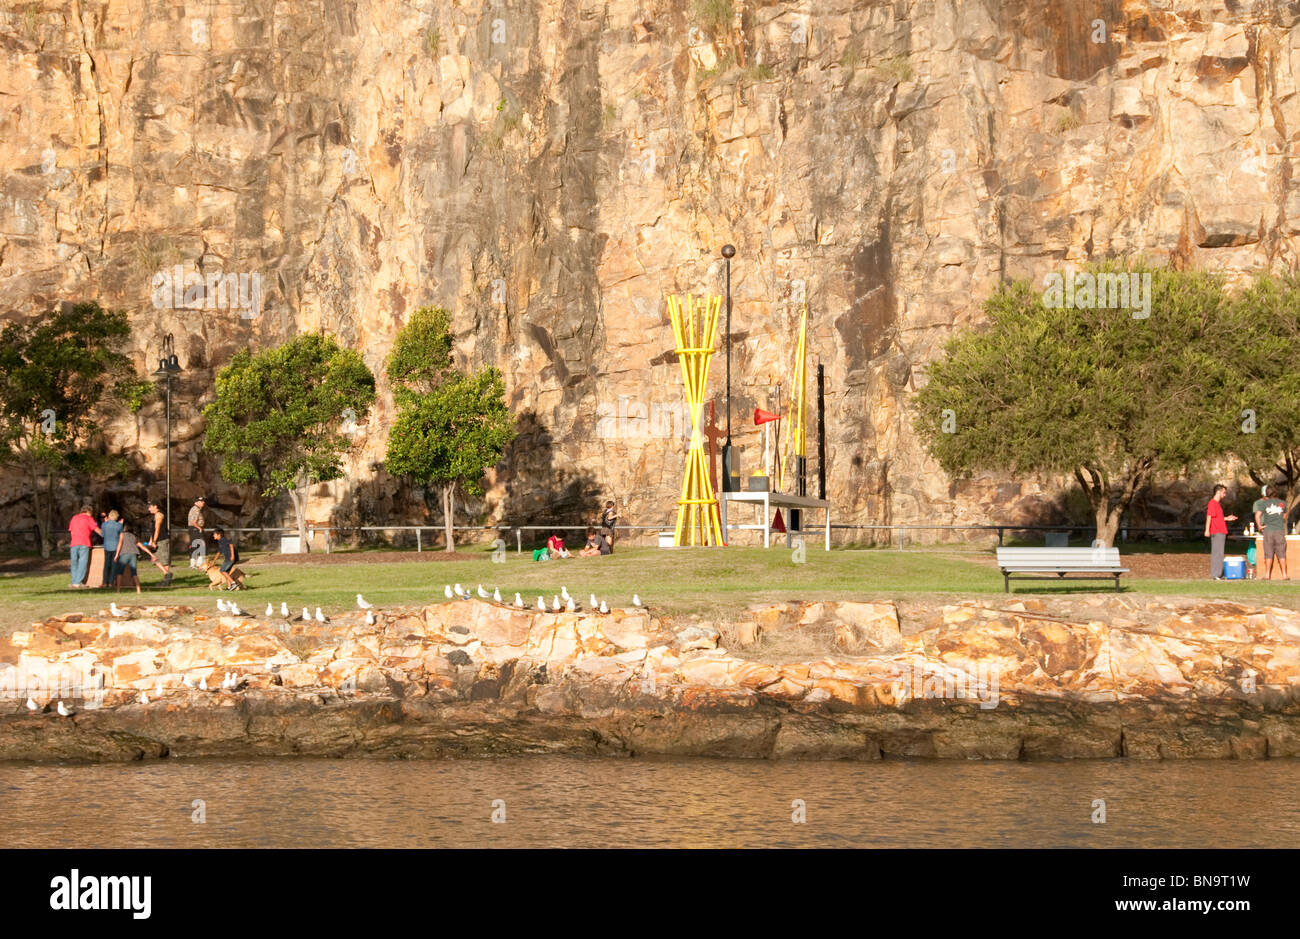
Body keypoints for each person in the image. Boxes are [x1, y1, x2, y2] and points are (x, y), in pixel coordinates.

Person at [1253, 485, 1289, 580]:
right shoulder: (1283, 503)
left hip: (1268, 531)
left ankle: (1267, 574)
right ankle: (1285, 575)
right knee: (1281, 553)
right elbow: (1285, 515)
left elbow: (1257, 515)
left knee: (1268, 553)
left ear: (1267, 493)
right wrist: (1280, 519)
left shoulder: (1264, 503)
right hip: (1279, 531)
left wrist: (1259, 526)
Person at [1205, 484, 1238, 580]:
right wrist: (1207, 530)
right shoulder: (1212, 503)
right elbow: (1209, 517)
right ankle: (1216, 574)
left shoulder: (1217, 504)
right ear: (1218, 492)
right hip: (1217, 531)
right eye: (1224, 492)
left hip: (1221, 530)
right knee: (1217, 553)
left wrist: (1227, 518)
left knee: (1219, 552)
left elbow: (1217, 518)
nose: (1225, 495)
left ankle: (1218, 573)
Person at [67, 506, 101, 589]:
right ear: (89, 512)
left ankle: (74, 581)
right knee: (82, 563)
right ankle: (77, 582)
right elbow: (97, 530)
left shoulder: (74, 518)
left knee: (74, 562)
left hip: (74, 543)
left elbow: (71, 531)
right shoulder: (89, 518)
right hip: (84, 542)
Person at [145, 500, 172, 586]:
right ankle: (167, 577)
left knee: (164, 560)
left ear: (155, 506)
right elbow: (153, 531)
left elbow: (157, 529)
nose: (149, 509)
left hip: (162, 540)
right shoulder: (154, 516)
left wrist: (154, 541)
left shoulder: (159, 515)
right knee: (155, 558)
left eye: (150, 507)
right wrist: (150, 541)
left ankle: (166, 580)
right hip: (157, 540)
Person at [112, 525, 142, 594]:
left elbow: (120, 544)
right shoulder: (134, 536)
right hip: (133, 554)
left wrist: (116, 555)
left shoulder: (122, 534)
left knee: (119, 572)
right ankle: (138, 590)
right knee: (134, 573)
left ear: (125, 528)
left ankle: (118, 590)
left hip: (124, 554)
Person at [100, 509, 124, 588]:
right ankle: (111, 582)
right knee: (114, 565)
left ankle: (104, 582)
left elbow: (102, 535)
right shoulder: (119, 525)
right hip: (115, 546)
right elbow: (121, 537)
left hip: (107, 546)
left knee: (106, 564)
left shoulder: (104, 525)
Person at [187, 496, 207, 568]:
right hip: (195, 529)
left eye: (203, 501)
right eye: (201, 501)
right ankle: (198, 563)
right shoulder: (196, 509)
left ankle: (194, 563)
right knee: (201, 545)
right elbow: (193, 522)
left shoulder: (196, 509)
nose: (203, 502)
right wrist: (199, 528)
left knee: (195, 545)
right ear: (196, 502)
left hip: (194, 529)